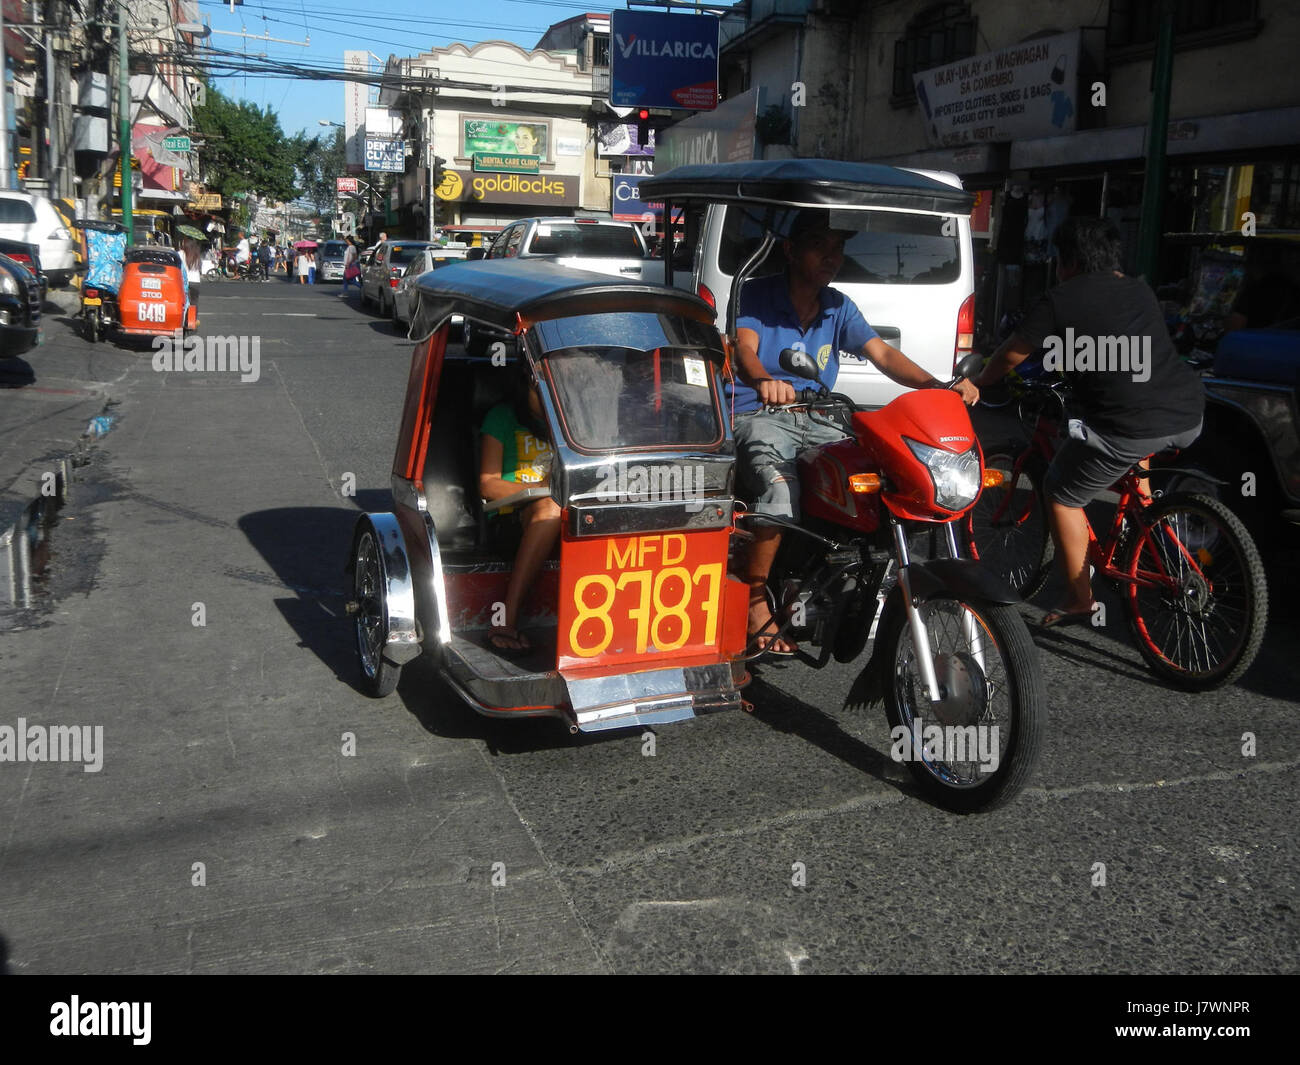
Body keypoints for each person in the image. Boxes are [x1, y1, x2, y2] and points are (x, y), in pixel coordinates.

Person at [731, 208, 979, 655]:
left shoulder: (838, 305)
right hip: (760, 413)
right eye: (819, 247)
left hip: (823, 417)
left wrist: (937, 386)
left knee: (876, 478)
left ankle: (830, 581)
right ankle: (754, 597)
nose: (831, 258)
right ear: (790, 250)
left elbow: (882, 354)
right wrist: (762, 380)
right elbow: (743, 350)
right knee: (780, 491)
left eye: (838, 249)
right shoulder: (755, 294)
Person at [973, 216, 1205, 627]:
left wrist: (980, 380)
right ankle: (1146, 516)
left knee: (1062, 491)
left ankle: (1080, 599)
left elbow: (1013, 352)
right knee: (1134, 438)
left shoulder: (1061, 298)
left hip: (1131, 424)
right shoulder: (1139, 289)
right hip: (1188, 411)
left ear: (1070, 261)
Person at [478, 363, 559, 654]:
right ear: (526, 385)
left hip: (564, 515)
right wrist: (543, 491)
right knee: (549, 508)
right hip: (509, 517)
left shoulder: (568, 424)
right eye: (541, 388)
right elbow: (488, 485)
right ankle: (506, 621)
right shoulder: (502, 417)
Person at [180, 237, 202, 312]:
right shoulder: (197, 255)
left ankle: (185, 318)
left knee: (183, 300)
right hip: (196, 281)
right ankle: (193, 319)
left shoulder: (180, 253)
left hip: (184, 280)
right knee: (194, 302)